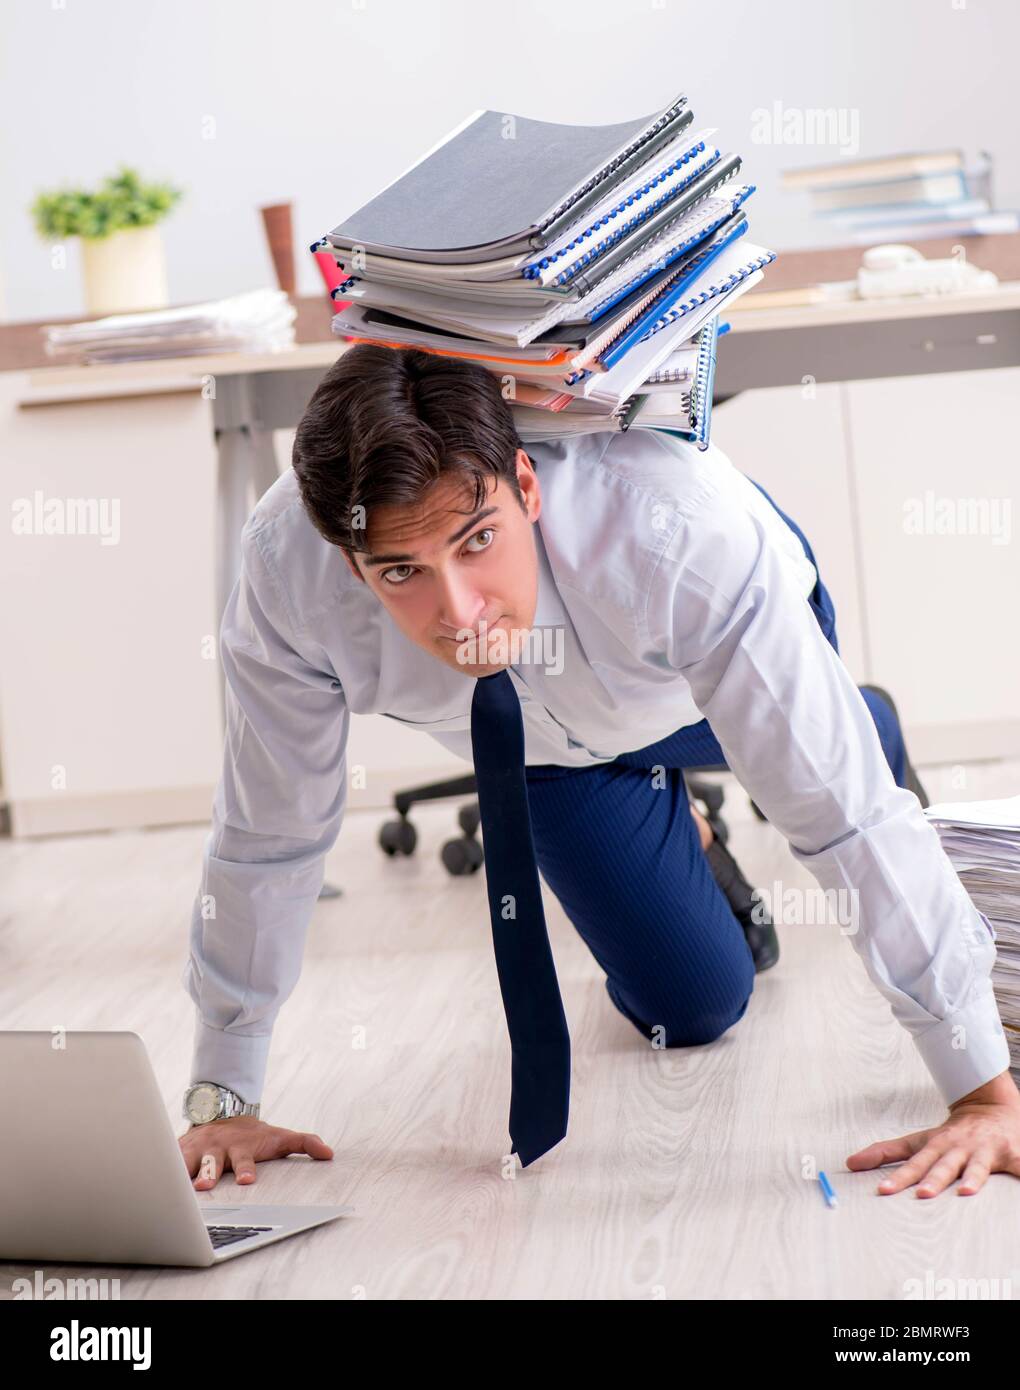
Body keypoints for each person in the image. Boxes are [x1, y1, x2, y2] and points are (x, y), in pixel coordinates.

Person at [179, 344, 1020, 1199]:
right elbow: (268, 836)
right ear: (351, 564)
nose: (462, 613)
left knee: (814, 763)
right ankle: (678, 820)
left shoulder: (682, 537)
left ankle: (861, 721)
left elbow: (848, 819)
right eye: (403, 571)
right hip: (545, 756)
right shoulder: (289, 573)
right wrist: (225, 1093)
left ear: (526, 485)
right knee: (689, 1010)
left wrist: (981, 1090)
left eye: (477, 541)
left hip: (691, 699)